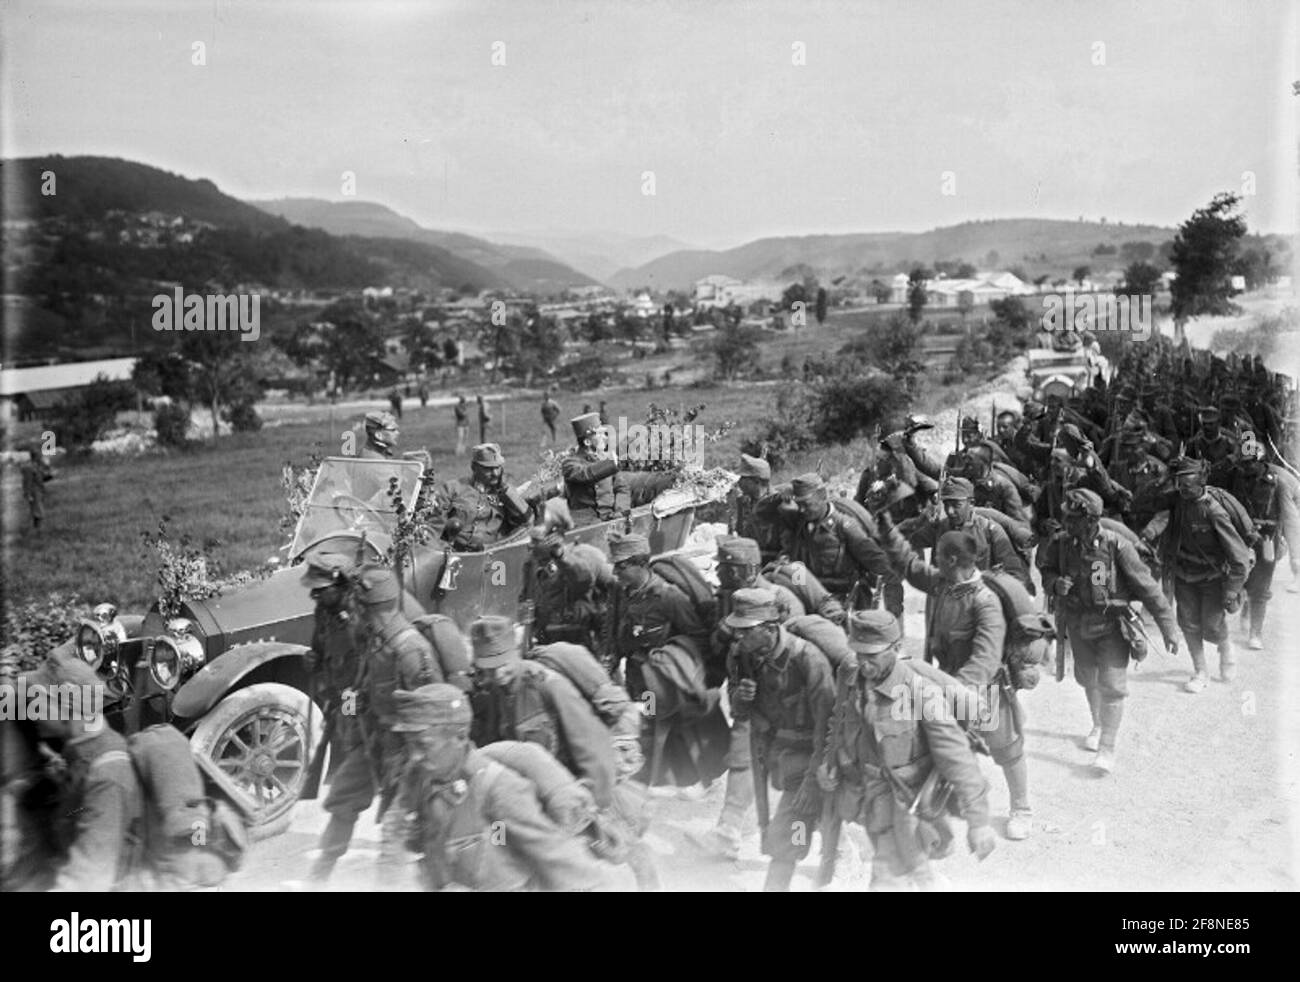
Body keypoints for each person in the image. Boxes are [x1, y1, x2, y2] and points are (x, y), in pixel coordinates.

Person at [875, 515, 1031, 839]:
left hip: (984, 690)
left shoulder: (985, 602)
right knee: (937, 745)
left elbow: (984, 659)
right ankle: (949, 804)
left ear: (951, 560)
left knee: (1006, 749)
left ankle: (1021, 808)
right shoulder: (944, 583)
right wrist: (889, 530)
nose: (934, 562)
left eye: (939, 556)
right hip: (947, 681)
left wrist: (957, 696)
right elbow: (910, 565)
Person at [819, 609, 996, 891]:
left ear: (896, 649)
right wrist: (828, 760)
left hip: (905, 803)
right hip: (866, 798)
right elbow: (838, 721)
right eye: (859, 653)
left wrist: (979, 821)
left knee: (886, 879)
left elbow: (956, 756)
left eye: (872, 655)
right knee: (908, 867)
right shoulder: (850, 674)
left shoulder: (920, 692)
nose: (863, 662)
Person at [391, 684, 617, 891]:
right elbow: (413, 838)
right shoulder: (420, 776)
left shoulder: (499, 788)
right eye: (409, 745)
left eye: (423, 745)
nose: (415, 755)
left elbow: (557, 857)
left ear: (460, 737)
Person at [307, 566, 441, 885]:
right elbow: (360, 690)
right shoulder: (374, 642)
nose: (354, 612)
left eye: (359, 607)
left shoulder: (410, 650)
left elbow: (435, 715)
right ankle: (317, 877)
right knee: (343, 797)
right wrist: (349, 722)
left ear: (370, 609)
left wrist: (418, 763)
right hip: (373, 743)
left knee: (405, 826)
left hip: (407, 754)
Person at [1038, 489, 1180, 772]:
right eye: (1067, 518)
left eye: (1074, 519)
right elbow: (1046, 568)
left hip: (1113, 626)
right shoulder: (1062, 543)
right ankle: (1097, 723)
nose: (1067, 524)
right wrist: (1055, 585)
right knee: (1087, 678)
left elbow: (1148, 588)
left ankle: (1107, 748)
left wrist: (1168, 627)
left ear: (1091, 520)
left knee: (1113, 686)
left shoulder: (1118, 546)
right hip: (1078, 624)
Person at [722, 588, 835, 891]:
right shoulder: (741, 656)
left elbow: (830, 728)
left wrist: (813, 781)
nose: (738, 639)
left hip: (811, 759)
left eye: (746, 631)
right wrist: (741, 698)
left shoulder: (808, 660)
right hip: (776, 756)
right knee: (808, 820)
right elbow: (738, 712)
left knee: (788, 837)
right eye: (736, 631)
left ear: (770, 629)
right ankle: (835, 845)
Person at [467, 616, 617, 810]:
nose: (497, 675)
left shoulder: (549, 686)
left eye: (503, 664)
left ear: (516, 653)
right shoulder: (495, 692)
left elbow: (593, 748)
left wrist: (595, 806)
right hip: (531, 795)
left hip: (570, 792)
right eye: (489, 668)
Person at [24, 653, 142, 891]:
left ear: (68, 709)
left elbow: (89, 878)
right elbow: (81, 808)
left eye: (39, 702)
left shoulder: (109, 775)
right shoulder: (79, 748)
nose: (32, 710)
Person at [1144, 458, 1255, 691]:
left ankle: (1225, 646)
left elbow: (1239, 557)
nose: (1183, 491)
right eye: (1180, 486)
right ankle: (1200, 672)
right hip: (1184, 574)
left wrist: (1233, 589)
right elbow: (1146, 503)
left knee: (1212, 626)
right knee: (1188, 623)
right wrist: (1164, 477)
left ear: (1201, 483)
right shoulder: (1176, 501)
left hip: (1212, 577)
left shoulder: (1214, 511)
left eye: (1188, 487)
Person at [756, 473, 894, 609]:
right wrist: (779, 497)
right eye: (798, 504)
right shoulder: (798, 521)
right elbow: (761, 512)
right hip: (807, 598)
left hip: (840, 601)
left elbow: (879, 561)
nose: (802, 509)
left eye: (806, 504)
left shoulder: (845, 527)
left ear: (823, 497)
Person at [436, 444, 530, 551]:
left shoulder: (506, 494)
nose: (495, 473)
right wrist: (443, 550)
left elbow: (526, 519)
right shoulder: (452, 488)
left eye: (498, 467)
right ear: (474, 467)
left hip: (490, 555)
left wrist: (505, 490)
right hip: (453, 555)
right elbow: (435, 525)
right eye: (488, 469)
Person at [561, 412, 629, 525]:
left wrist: (620, 511)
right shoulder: (569, 464)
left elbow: (622, 488)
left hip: (610, 516)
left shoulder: (606, 459)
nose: (605, 437)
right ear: (587, 442)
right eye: (600, 435)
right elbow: (585, 474)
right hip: (583, 522)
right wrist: (612, 462)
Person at [731, 453, 785, 564]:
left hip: (771, 565)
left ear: (757, 481)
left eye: (743, 478)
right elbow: (741, 533)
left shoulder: (777, 505)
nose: (739, 482)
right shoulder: (744, 501)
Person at [20, 445, 54, 531]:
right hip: (34, 492)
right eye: (39, 455)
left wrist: (49, 471)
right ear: (35, 456)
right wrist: (28, 495)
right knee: (38, 512)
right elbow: (27, 482)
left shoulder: (38, 467)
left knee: (37, 511)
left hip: (40, 491)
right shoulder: (29, 467)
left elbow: (43, 478)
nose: (41, 457)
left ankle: (36, 530)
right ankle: (37, 530)